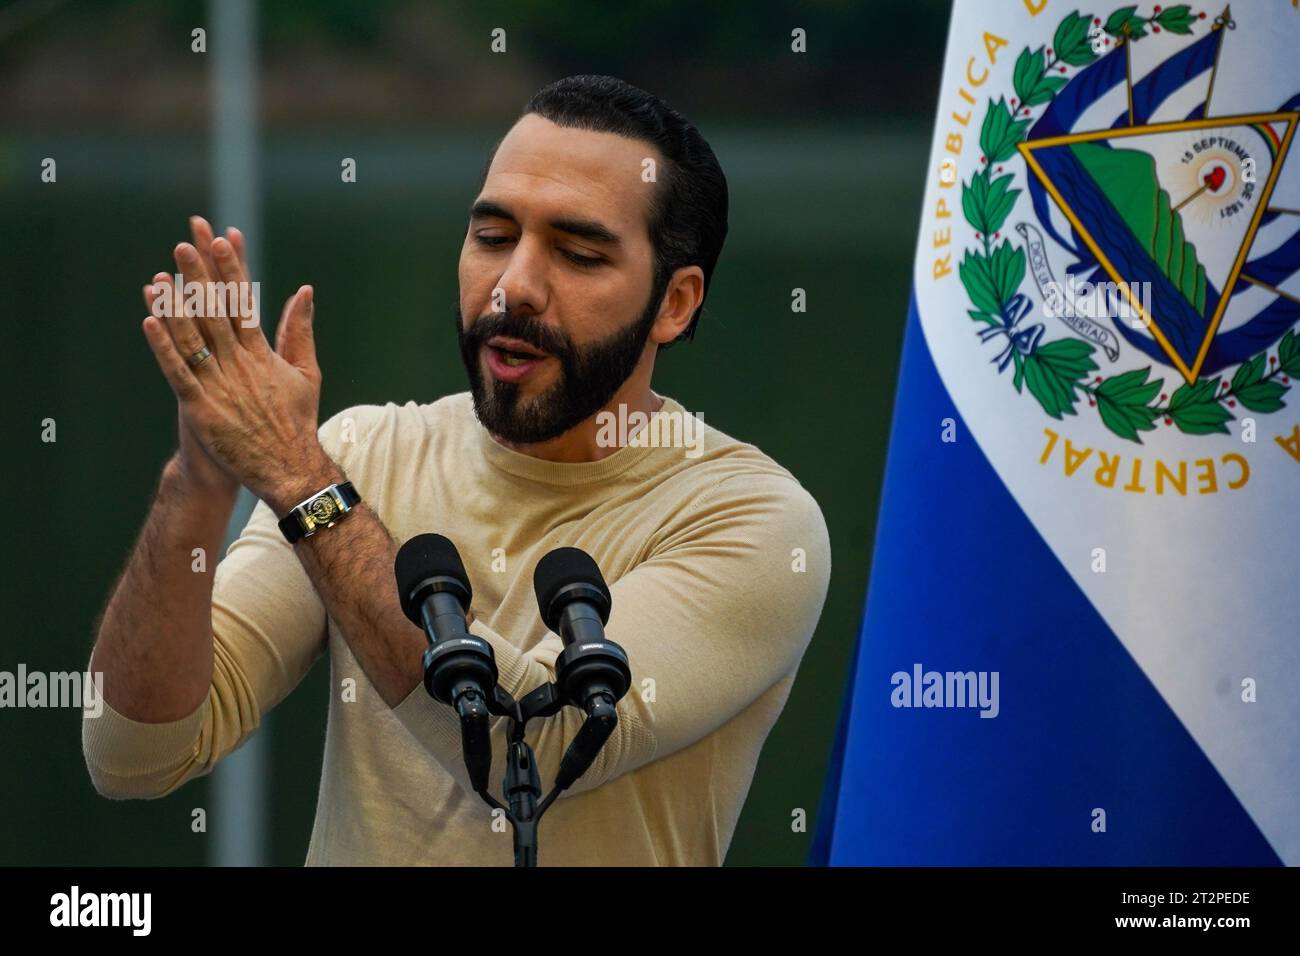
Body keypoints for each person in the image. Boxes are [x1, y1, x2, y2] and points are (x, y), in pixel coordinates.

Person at [83, 74, 831, 866]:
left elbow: (533, 750)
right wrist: (198, 484)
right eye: (494, 237)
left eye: (578, 254)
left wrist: (299, 478)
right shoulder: (362, 453)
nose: (513, 289)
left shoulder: (751, 518)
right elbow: (133, 757)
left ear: (675, 304)